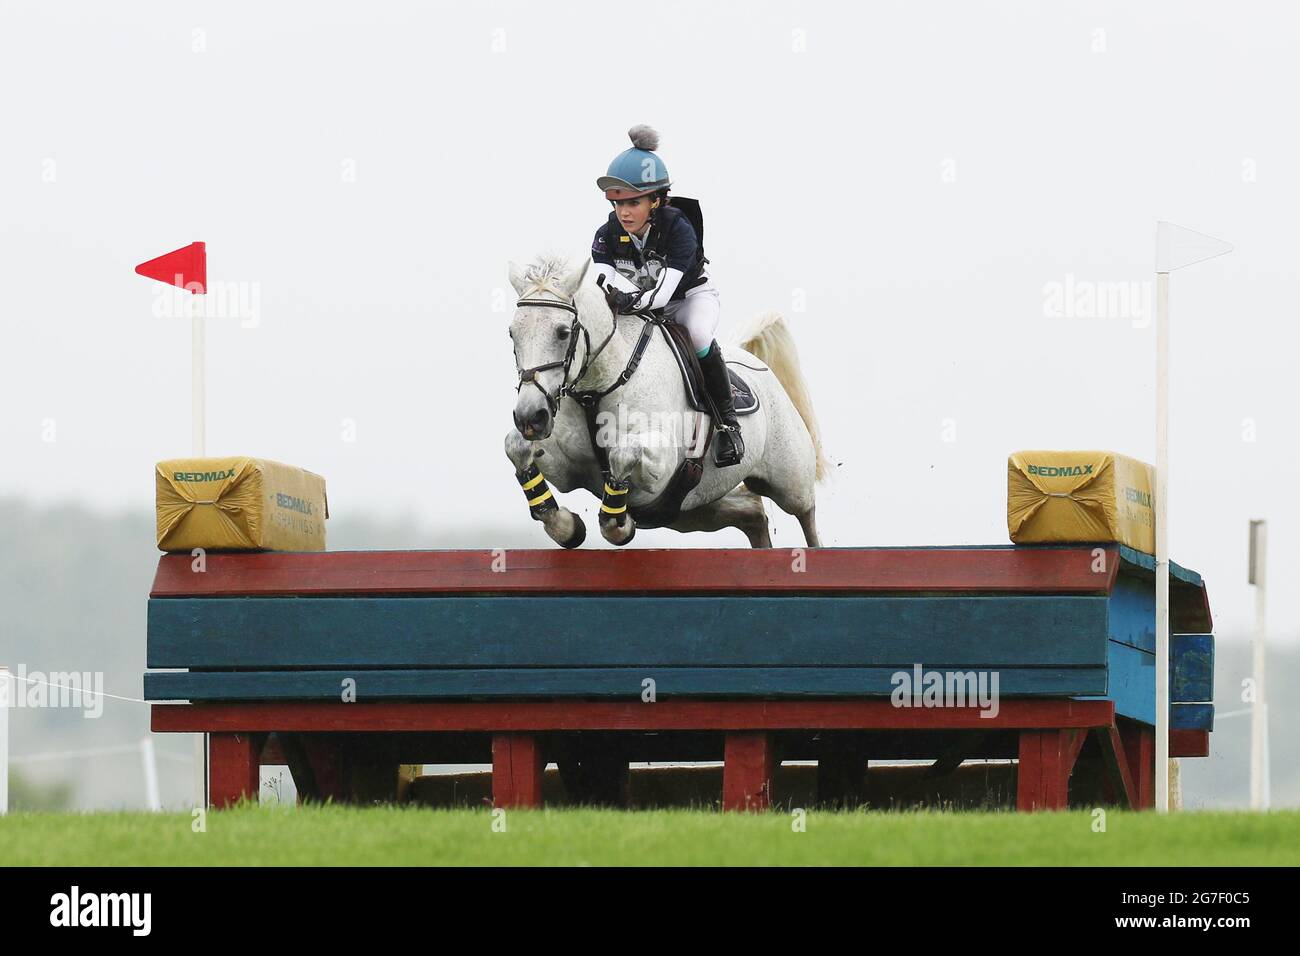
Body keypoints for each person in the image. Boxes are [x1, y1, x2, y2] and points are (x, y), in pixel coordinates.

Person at [589, 125, 744, 467]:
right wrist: (615, 297)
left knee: (699, 335)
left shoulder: (679, 228)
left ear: (656, 200)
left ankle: (728, 425)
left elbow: (662, 297)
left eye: (633, 202)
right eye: (618, 204)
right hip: (643, 304)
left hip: (688, 299)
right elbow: (603, 278)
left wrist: (629, 300)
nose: (624, 212)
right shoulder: (607, 234)